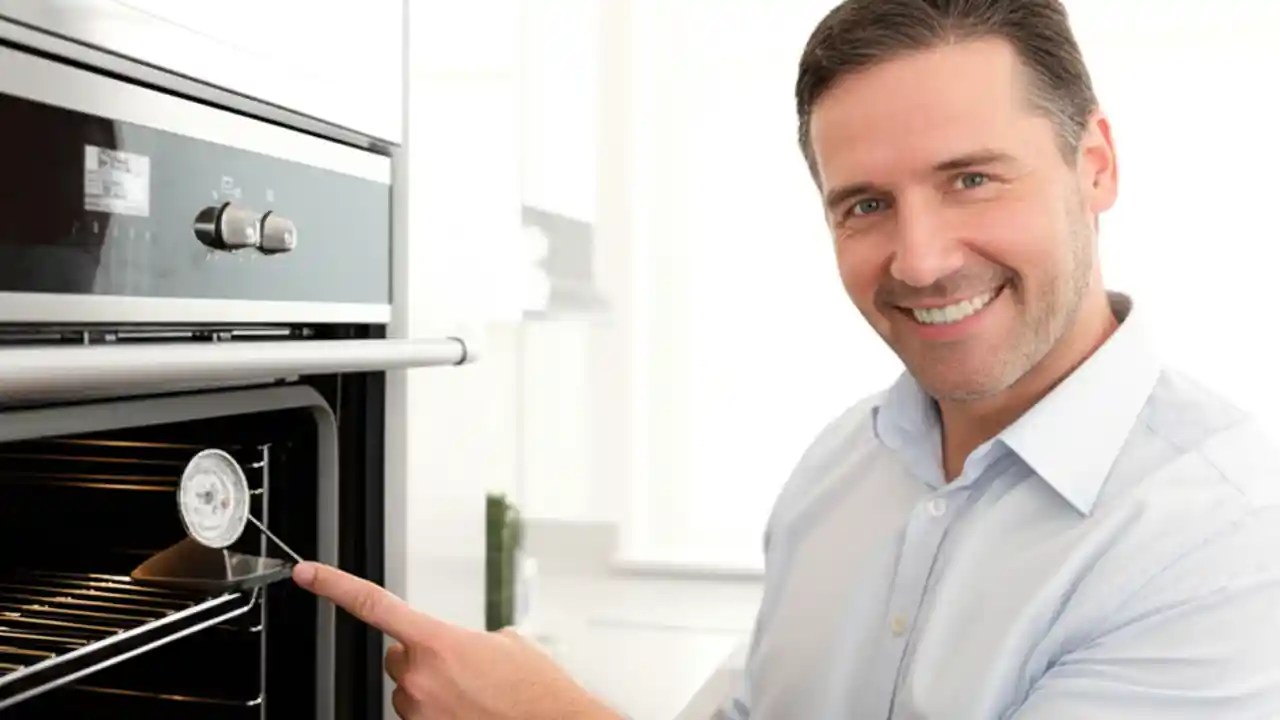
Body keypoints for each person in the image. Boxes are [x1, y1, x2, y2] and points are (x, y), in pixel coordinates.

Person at [294, 0, 1280, 717]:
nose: (920, 258)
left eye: (971, 179)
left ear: (1093, 165)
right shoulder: (839, 470)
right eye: (864, 204)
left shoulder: (1224, 543)